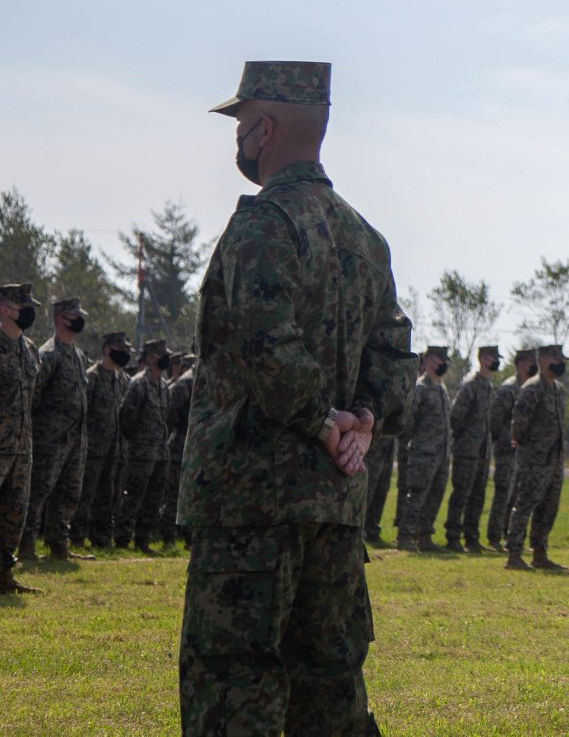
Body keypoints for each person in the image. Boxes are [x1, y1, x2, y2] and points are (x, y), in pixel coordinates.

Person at [180, 59, 413, 734]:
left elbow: (265, 344)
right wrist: (363, 422)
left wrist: (323, 420)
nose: (238, 139)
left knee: (234, 684)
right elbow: (394, 354)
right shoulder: (365, 238)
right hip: (335, 507)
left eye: (241, 124)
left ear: (265, 129)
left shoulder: (263, 224)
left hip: (252, 507)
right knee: (330, 688)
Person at [20, 296, 92, 564]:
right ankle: (26, 545)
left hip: (75, 439)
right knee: (39, 491)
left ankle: (58, 544)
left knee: (69, 492)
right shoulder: (48, 354)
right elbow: (33, 397)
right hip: (50, 439)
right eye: (75, 316)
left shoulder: (79, 355)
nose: (80, 320)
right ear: (61, 318)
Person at [0, 282, 41, 594]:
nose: (30, 312)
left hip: (21, 448)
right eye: (24, 307)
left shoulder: (30, 349)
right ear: (5, 309)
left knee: (12, 515)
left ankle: (2, 577)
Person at [507, 342, 568, 572]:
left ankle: (540, 554)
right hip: (534, 459)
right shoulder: (532, 389)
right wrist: (527, 448)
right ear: (542, 360)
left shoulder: (558, 390)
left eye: (561, 359)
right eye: (556, 359)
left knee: (549, 507)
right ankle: (514, 554)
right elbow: (519, 424)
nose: (560, 363)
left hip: (554, 460)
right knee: (525, 505)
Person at [71, 330, 132, 549]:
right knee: (86, 493)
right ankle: (77, 537)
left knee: (108, 495)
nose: (124, 353)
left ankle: (101, 538)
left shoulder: (122, 380)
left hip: (114, 449)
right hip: (93, 448)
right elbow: (81, 412)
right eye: (120, 349)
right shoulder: (92, 377)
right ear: (107, 350)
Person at [116, 337, 172, 552]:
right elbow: (126, 417)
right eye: (161, 354)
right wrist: (137, 441)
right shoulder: (138, 383)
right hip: (141, 453)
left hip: (160, 453)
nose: (165, 358)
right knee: (133, 496)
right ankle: (122, 539)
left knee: (153, 499)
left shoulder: (163, 386)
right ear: (151, 358)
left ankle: (143, 540)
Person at [443, 344, 500, 552]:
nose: (496, 362)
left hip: (483, 452)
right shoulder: (470, 385)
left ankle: (472, 538)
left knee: (478, 495)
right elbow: (456, 417)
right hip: (467, 451)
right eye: (493, 358)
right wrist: (465, 440)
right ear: (483, 359)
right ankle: (453, 537)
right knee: (461, 494)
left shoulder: (489, 387)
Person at [395, 345, 452, 552]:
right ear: (428, 361)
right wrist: (414, 445)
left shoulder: (442, 388)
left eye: (444, 360)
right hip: (423, 452)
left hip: (442, 454)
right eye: (438, 359)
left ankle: (425, 537)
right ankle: (405, 536)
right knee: (416, 495)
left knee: (435, 496)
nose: (442, 363)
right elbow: (409, 421)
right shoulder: (420, 387)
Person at [486, 347, 535, 550]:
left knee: (518, 496)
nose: (534, 365)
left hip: (525, 453)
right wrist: (504, 441)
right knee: (503, 494)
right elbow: (496, 420)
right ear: (521, 363)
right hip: (507, 452)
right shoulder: (509, 388)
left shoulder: (532, 387)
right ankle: (495, 537)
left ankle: (511, 536)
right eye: (531, 361)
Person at [159, 352, 198, 548]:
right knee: (175, 494)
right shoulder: (186, 383)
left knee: (193, 495)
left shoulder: (201, 379)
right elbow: (171, 415)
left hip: (196, 446)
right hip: (180, 446)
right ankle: (168, 537)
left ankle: (190, 538)